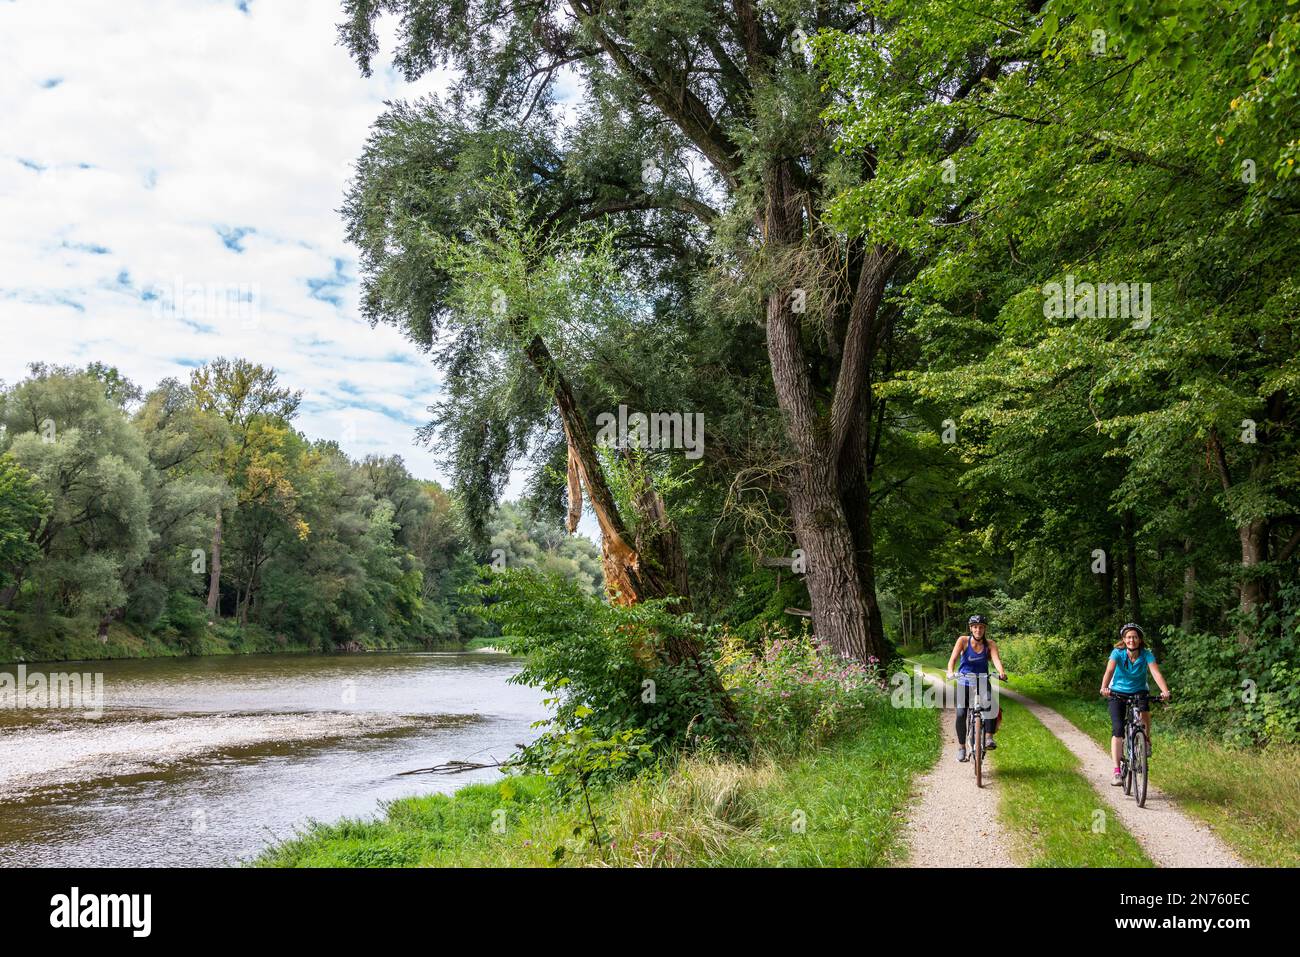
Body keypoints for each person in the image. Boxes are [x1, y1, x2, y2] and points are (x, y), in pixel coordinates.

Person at [1099, 623, 1171, 786]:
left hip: (1139, 691)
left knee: (1144, 709)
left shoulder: (1146, 654)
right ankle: (1117, 771)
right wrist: (1104, 687)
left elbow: (1155, 672)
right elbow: (1109, 671)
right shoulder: (1117, 653)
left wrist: (1165, 691)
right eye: (1129, 637)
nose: (1132, 640)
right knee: (1118, 729)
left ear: (1139, 640)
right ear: (1124, 640)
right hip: (1116, 693)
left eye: (1135, 637)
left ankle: (1146, 739)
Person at [945, 614, 1007, 762]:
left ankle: (988, 738)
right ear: (971, 628)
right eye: (975, 627)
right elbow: (952, 659)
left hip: (982, 680)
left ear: (984, 629)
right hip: (964, 682)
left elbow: (996, 660)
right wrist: (950, 671)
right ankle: (961, 748)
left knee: (991, 705)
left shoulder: (990, 644)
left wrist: (1001, 672)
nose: (978, 630)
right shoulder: (963, 641)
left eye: (981, 627)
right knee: (961, 714)